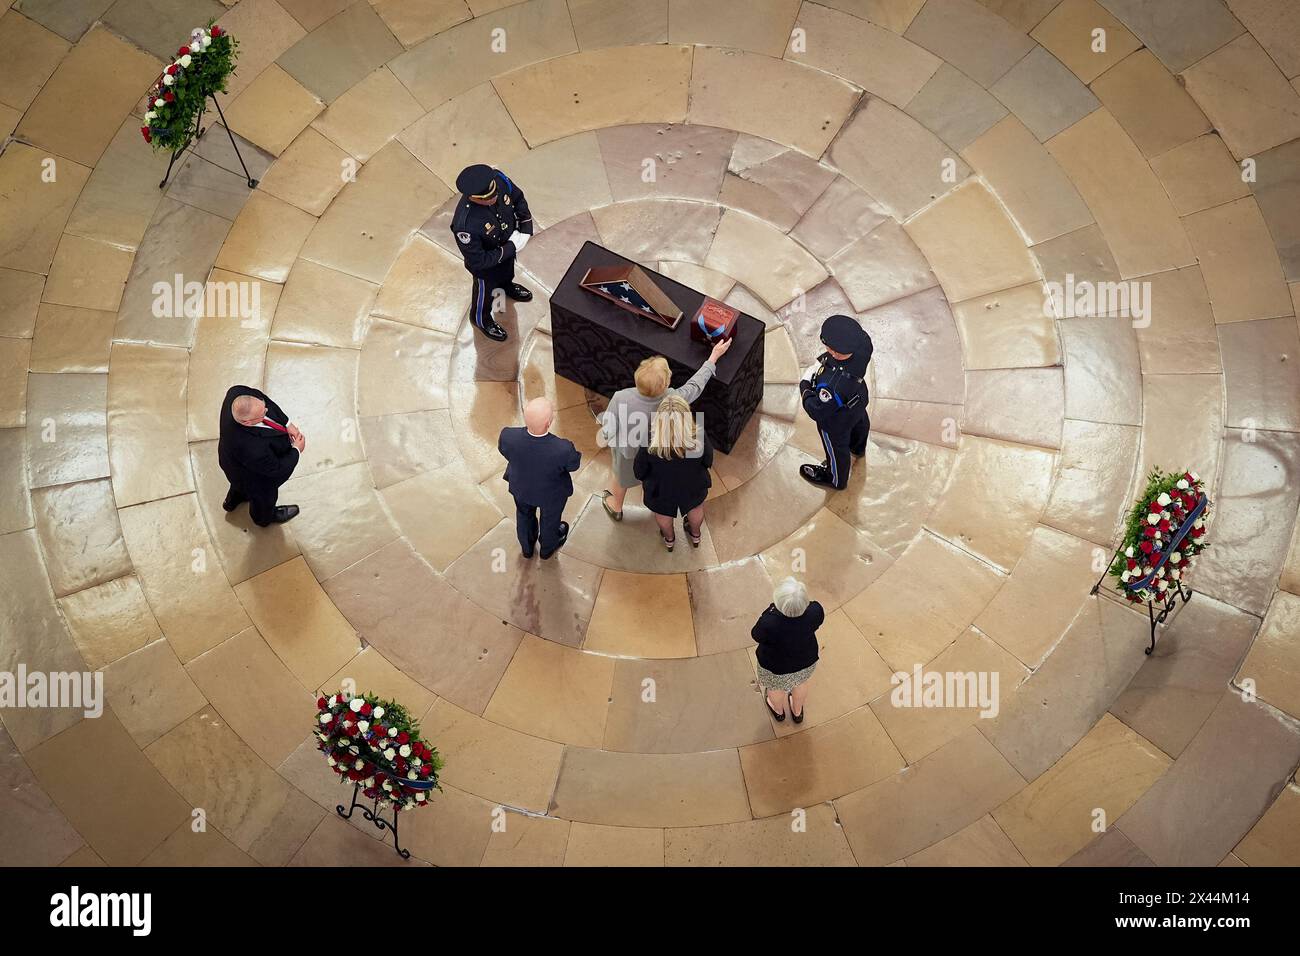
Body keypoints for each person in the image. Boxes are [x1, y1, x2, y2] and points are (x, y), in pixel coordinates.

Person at [599, 338, 731, 520]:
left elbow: (609, 425)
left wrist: (610, 439)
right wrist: (713, 358)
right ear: (665, 385)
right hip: (657, 456)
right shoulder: (672, 398)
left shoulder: (620, 397)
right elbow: (695, 386)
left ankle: (616, 506)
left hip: (628, 455)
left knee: (620, 479)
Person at [450, 163, 534, 343]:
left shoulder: (499, 179)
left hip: (506, 245)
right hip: (486, 267)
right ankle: (481, 319)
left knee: (507, 272)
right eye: (488, 198)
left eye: (495, 193)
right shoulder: (464, 225)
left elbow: (518, 198)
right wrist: (511, 246)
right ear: (473, 198)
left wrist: (525, 226)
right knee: (486, 292)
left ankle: (505, 286)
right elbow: (478, 261)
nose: (495, 198)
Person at [497, 397, 582, 559]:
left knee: (523, 515)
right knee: (550, 520)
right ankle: (547, 549)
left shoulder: (508, 436)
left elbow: (504, 450)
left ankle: (527, 548)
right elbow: (574, 465)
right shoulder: (563, 448)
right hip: (551, 494)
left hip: (521, 489)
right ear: (548, 424)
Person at [798, 314, 873, 490]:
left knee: (836, 447)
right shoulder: (863, 346)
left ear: (833, 351)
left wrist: (805, 387)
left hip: (836, 421)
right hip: (858, 400)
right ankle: (858, 448)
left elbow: (817, 410)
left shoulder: (831, 386)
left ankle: (835, 478)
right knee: (860, 423)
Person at [632, 394, 713, 551]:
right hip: (693, 484)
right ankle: (695, 535)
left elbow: (639, 470)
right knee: (695, 509)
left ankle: (669, 539)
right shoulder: (699, 435)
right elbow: (708, 460)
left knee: (663, 514)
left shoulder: (649, 440)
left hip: (660, 489)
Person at [217, 385, 304, 526]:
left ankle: (232, 501)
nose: (266, 411)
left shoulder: (236, 393)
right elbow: (277, 469)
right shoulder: (252, 448)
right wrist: (297, 450)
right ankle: (263, 518)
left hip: (231, 463)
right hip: (254, 478)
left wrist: (288, 423)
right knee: (263, 498)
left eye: (263, 407)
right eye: (262, 415)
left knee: (238, 483)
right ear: (247, 422)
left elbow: (265, 401)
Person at [751, 577, 824, 723]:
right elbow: (818, 622)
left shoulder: (769, 622)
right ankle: (797, 712)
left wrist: (770, 611)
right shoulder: (815, 611)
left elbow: (756, 635)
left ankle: (778, 711)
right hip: (806, 660)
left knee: (775, 688)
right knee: (800, 683)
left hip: (775, 666)